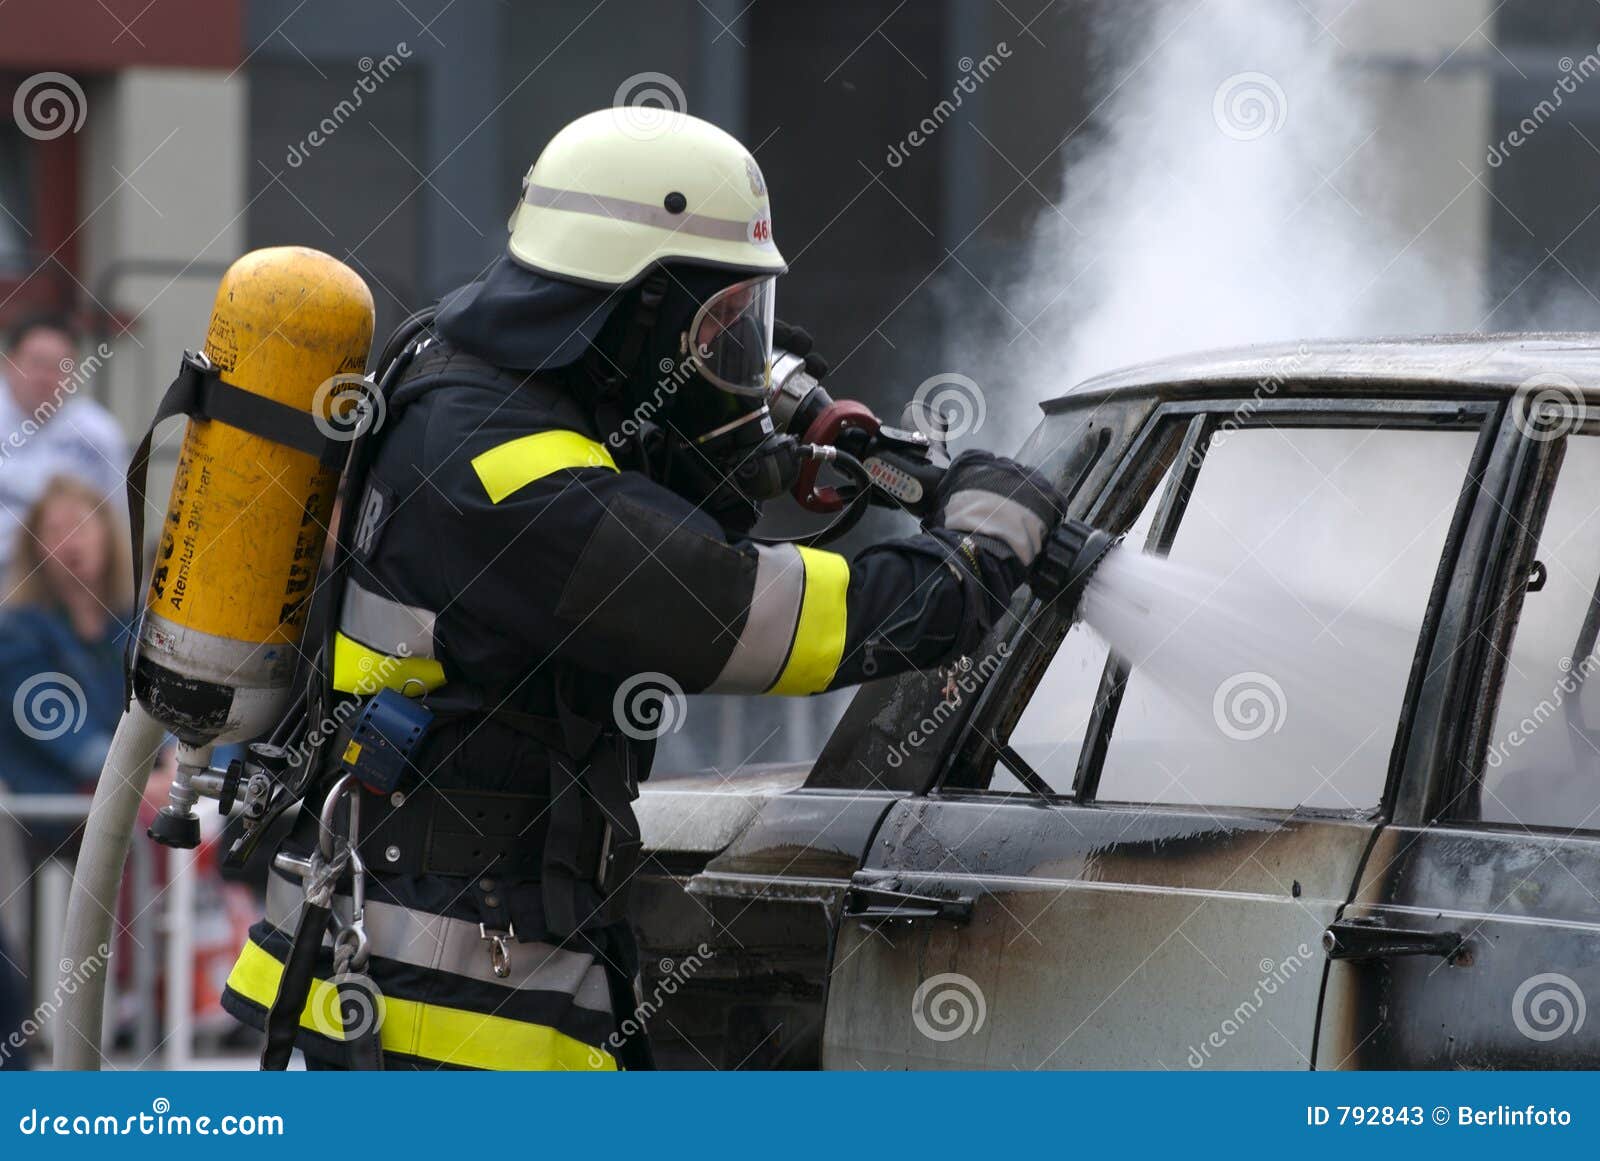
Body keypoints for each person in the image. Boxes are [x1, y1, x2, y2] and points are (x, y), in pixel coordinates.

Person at [220, 109, 1070, 1070]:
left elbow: (635, 457)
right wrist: (979, 556)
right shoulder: (515, 482)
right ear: (634, 309)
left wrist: (767, 439)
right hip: (449, 1011)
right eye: (718, 326)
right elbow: (762, 616)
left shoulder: (466, 366)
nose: (742, 357)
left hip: (435, 970)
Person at [0, 314, 127, 579]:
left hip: (66, 582)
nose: (46, 376)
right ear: (8, 363)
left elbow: (114, 523)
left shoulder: (100, 433)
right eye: (37, 363)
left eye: (61, 366)